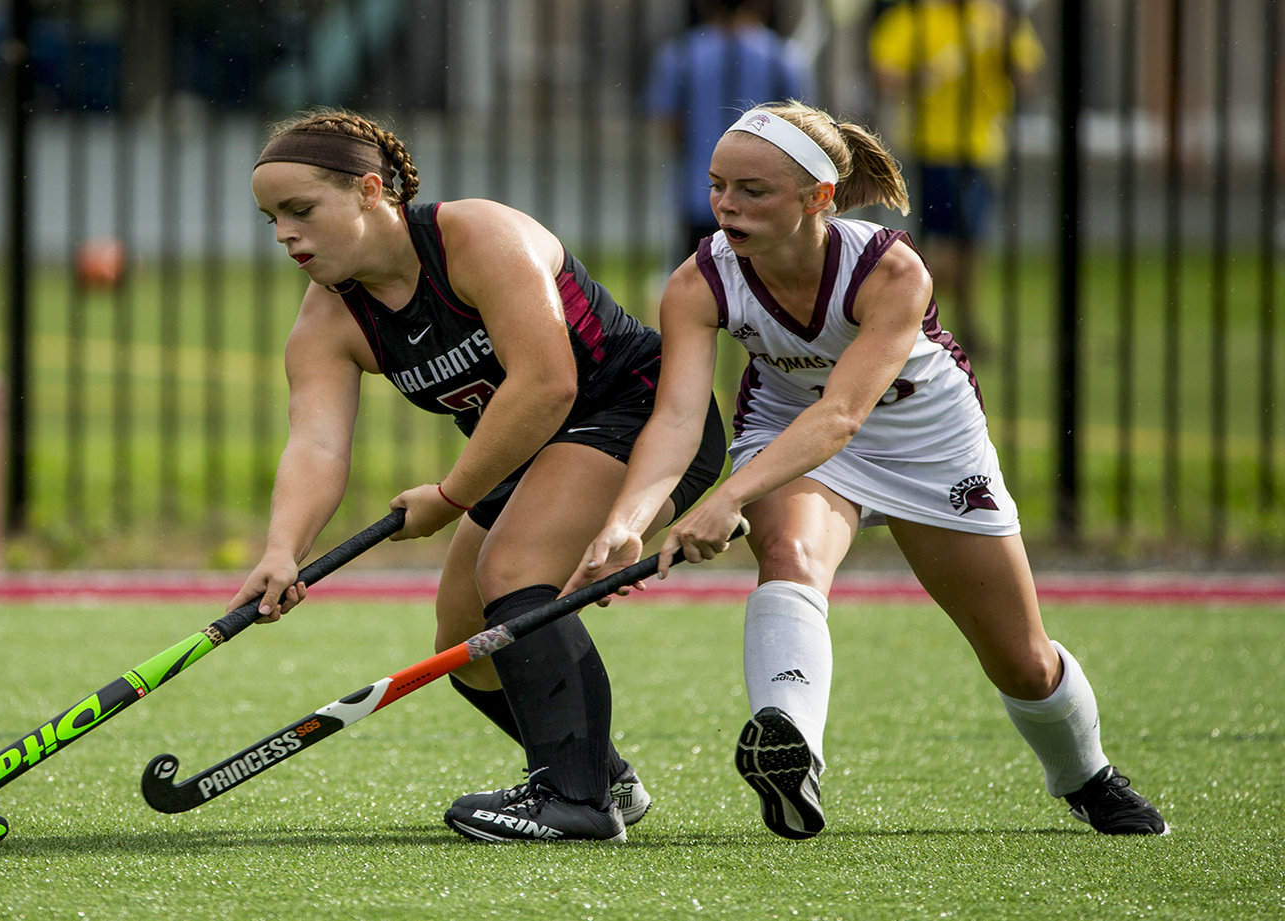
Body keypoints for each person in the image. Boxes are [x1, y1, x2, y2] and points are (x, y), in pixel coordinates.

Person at [568, 101, 1167, 839]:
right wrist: (625, 524)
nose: (726, 205)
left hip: (925, 441)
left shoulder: (890, 270)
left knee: (1022, 662)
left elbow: (843, 415)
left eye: (753, 190)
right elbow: (676, 420)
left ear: (818, 197)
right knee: (789, 553)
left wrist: (729, 497)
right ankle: (792, 750)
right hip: (787, 427)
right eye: (718, 185)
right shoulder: (700, 281)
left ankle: (1087, 775)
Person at [237, 110, 726, 843]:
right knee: (464, 637)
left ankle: (577, 803)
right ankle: (602, 775)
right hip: (526, 452)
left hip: (636, 413)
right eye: (272, 218)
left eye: (300, 210)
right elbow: (316, 444)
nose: (284, 234)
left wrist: (450, 496)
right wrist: (282, 550)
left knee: (513, 571)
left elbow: (547, 383)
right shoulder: (330, 321)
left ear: (370, 190)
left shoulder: (477, 237)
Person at [869, 0, 1044, 356]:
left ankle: (950, 319)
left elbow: (1025, 79)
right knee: (950, 244)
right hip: (932, 148)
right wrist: (920, 77)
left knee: (972, 243)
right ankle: (900, 302)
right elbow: (885, 74)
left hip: (983, 148)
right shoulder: (915, 17)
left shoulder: (997, 18)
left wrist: (1006, 40)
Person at [647, 0, 812, 262]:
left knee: (702, 270)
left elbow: (668, 122)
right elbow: (799, 123)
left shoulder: (682, 53)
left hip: (700, 190)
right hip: (764, 193)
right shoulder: (781, 55)